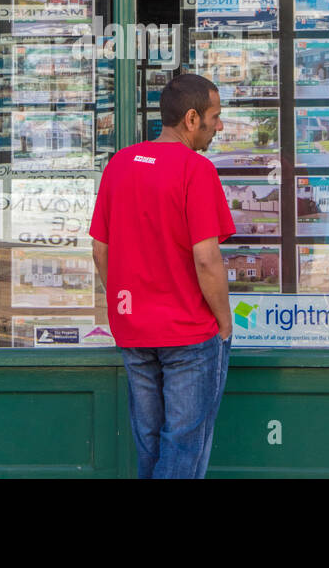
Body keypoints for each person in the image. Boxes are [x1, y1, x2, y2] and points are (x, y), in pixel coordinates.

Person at [90, 73, 236, 478]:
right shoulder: (196, 169)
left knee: (150, 443)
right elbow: (207, 259)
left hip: (135, 330)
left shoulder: (119, 164)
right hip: (188, 332)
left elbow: (100, 250)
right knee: (184, 445)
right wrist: (225, 323)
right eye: (215, 117)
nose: (218, 126)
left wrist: (124, 301)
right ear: (191, 119)